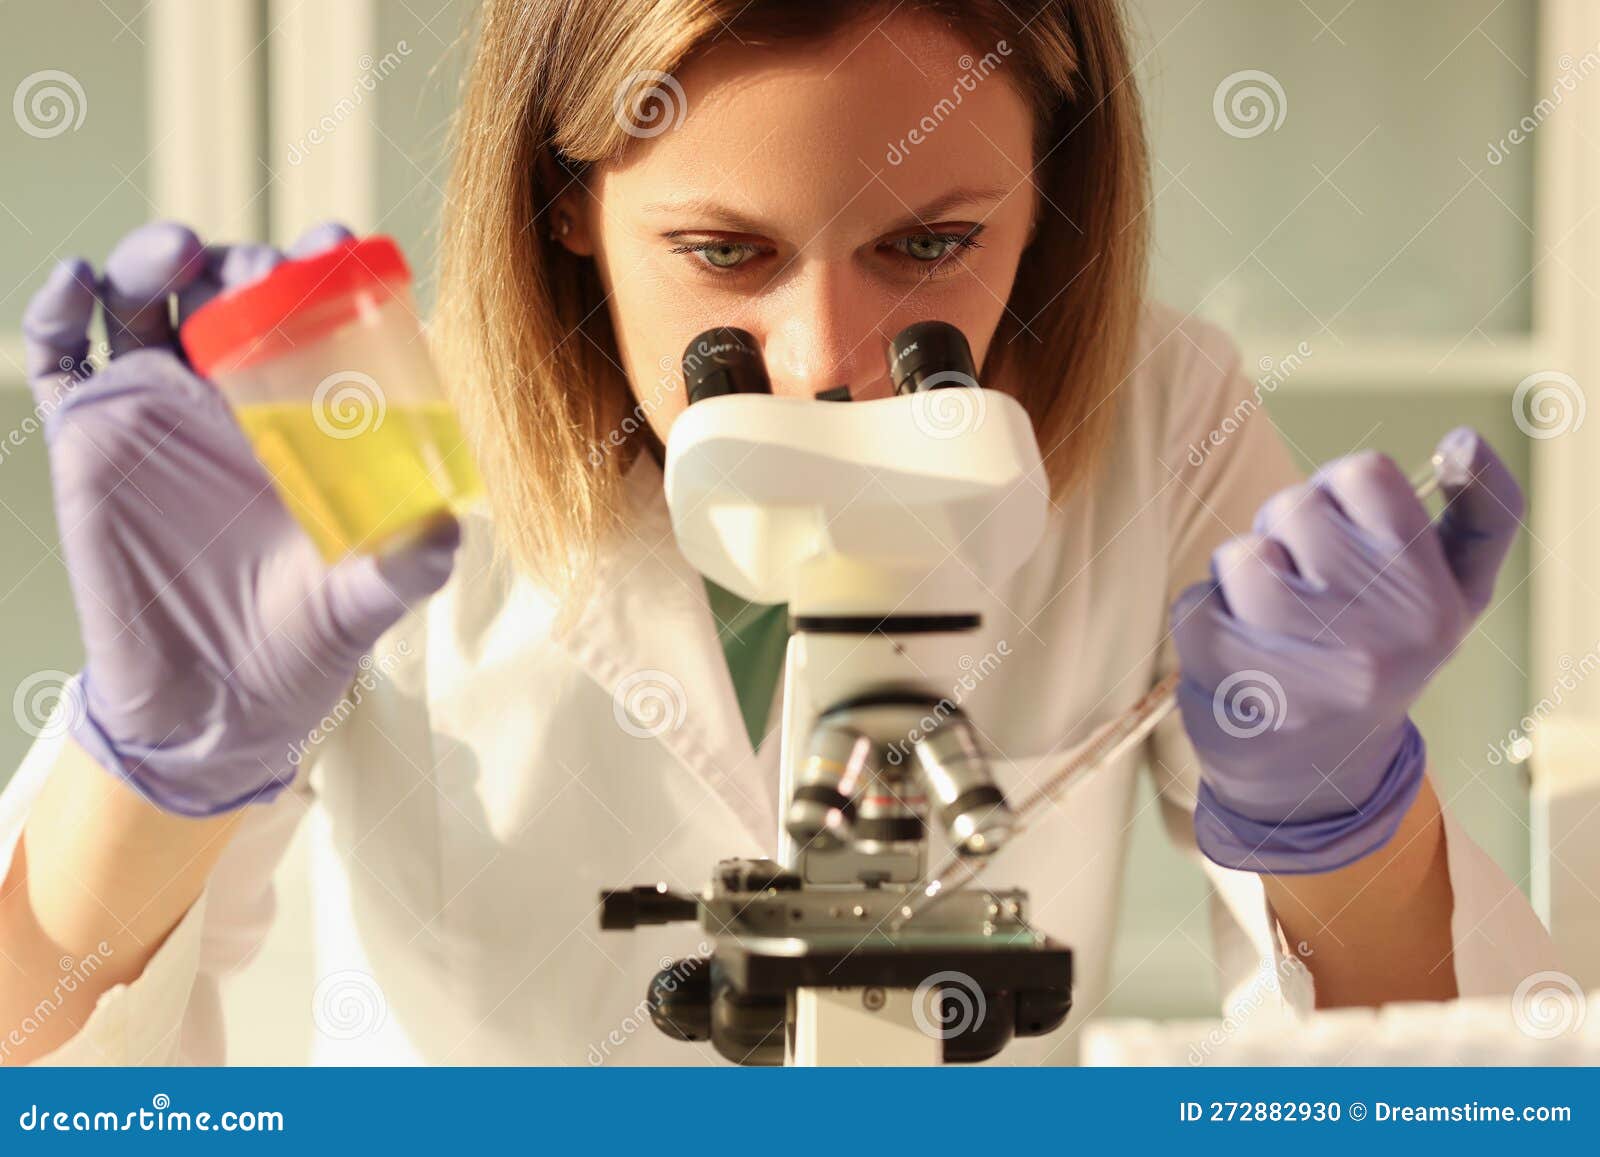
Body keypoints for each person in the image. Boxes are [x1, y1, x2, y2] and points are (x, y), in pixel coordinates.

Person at [0, 0, 1557, 1066]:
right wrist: (159, 769)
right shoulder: (392, 445)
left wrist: (1344, 826)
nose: (823, 354)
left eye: (932, 245)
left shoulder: (1162, 419)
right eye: (721, 252)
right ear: (565, 197)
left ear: (1054, 194)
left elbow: (1427, 1101)